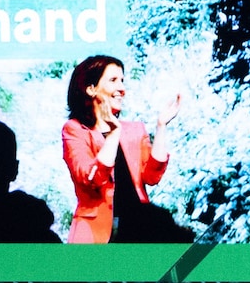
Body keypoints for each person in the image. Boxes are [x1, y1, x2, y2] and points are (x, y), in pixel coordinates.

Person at [59, 54, 182, 244]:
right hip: (96, 234)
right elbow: (91, 178)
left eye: (122, 81)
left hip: (138, 228)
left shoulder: (134, 129)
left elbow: (152, 176)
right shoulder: (75, 130)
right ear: (91, 89)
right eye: (113, 80)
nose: (122, 89)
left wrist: (161, 126)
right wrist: (114, 133)